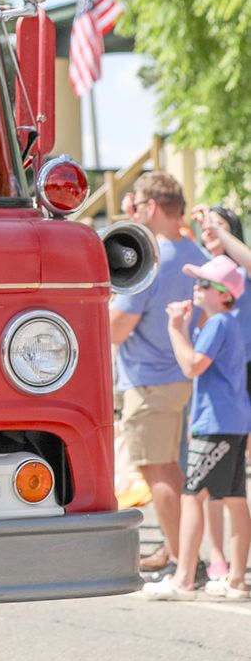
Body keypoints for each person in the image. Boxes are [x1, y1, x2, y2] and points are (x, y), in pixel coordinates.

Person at [114, 172, 207, 577]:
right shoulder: (197, 254)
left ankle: (180, 559)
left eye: (135, 204)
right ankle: (178, 552)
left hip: (148, 382)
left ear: (151, 207)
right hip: (180, 379)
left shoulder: (153, 261)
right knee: (171, 468)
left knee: (158, 470)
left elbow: (115, 328)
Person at [143, 255, 251, 599]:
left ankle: (184, 579)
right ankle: (235, 580)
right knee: (234, 497)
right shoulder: (222, 324)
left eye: (204, 284)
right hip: (229, 422)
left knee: (192, 496)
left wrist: (176, 328)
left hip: (217, 423)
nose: (196, 288)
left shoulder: (218, 324)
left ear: (224, 294)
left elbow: (192, 366)